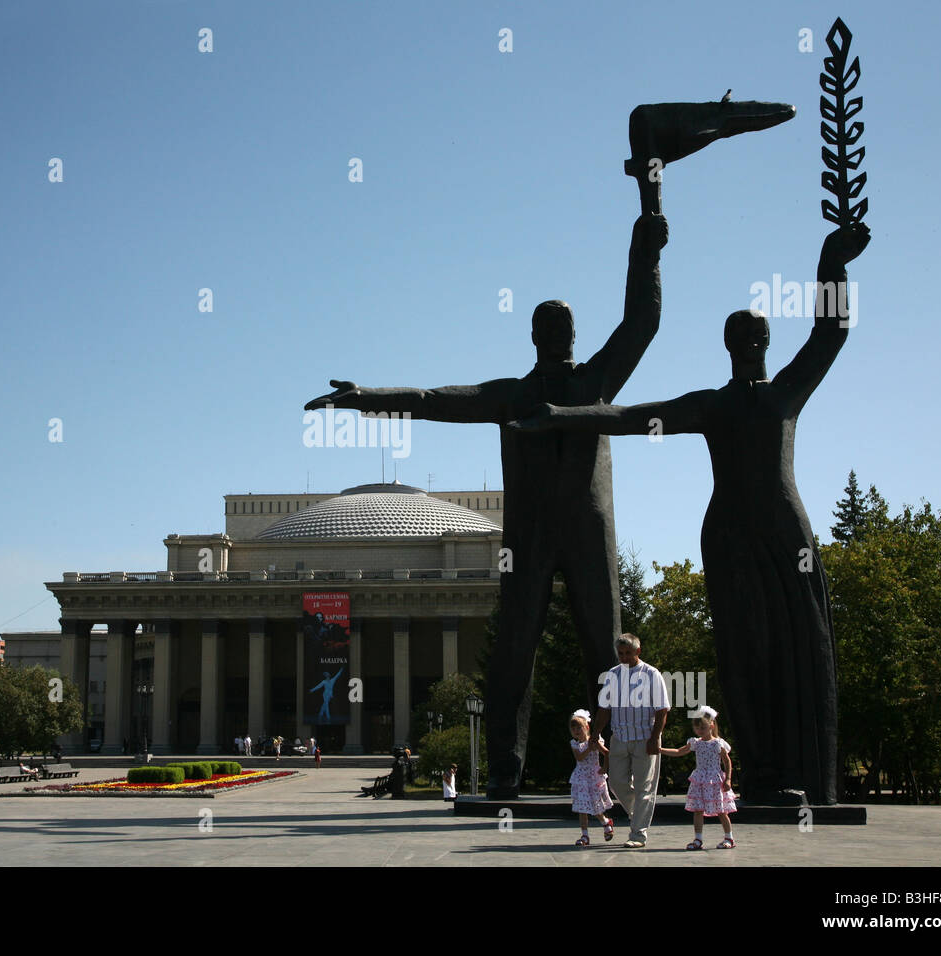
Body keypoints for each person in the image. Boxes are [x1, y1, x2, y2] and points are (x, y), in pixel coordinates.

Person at [306, 213, 669, 798]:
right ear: (541, 337)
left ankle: (590, 768)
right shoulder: (532, 391)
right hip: (536, 537)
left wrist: (645, 251)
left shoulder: (574, 386)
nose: (560, 336)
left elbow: (642, 322)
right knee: (525, 655)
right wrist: (362, 398)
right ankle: (510, 771)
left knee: (588, 653)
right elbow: (430, 400)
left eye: (563, 327)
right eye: (555, 328)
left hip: (573, 533)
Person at [511, 223, 869, 805]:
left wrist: (833, 261)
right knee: (742, 652)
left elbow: (831, 333)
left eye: (761, 338)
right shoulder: (712, 405)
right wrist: (559, 414)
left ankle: (807, 775)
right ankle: (761, 772)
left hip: (784, 532)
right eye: (744, 338)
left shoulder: (784, 395)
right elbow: (629, 416)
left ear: (768, 344)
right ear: (729, 346)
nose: (753, 346)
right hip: (729, 537)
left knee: (802, 645)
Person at [590, 634, 668, 847]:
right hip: (620, 737)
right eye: (620, 654)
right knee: (616, 782)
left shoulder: (652, 674)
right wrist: (595, 733)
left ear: (637, 652)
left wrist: (654, 739)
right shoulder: (613, 675)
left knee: (645, 787)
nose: (624, 657)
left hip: (645, 737)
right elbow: (604, 708)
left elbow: (662, 710)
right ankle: (638, 814)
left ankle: (638, 834)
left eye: (628, 653)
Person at [660, 706, 737, 849]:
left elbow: (727, 761)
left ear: (711, 725)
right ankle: (698, 839)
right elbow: (678, 751)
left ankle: (729, 837)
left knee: (721, 811)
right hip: (700, 779)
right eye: (697, 728)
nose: (700, 731)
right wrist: (660, 750)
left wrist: (728, 779)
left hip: (714, 780)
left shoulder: (718, 743)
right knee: (698, 809)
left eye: (703, 727)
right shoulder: (696, 743)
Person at [569, 710, 614, 846]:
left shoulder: (596, 740)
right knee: (582, 807)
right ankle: (585, 835)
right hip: (581, 778)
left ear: (587, 727)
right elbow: (579, 757)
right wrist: (589, 748)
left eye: (579, 727)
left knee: (596, 806)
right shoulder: (574, 744)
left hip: (594, 777)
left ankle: (606, 822)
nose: (576, 731)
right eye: (573, 728)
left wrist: (605, 768)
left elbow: (606, 753)